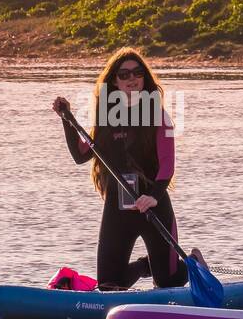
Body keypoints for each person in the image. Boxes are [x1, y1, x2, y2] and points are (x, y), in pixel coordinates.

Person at [52, 48, 205, 291]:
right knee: (109, 286)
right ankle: (147, 266)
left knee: (166, 281)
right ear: (114, 81)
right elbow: (81, 155)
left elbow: (168, 165)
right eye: (124, 74)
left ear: (145, 78)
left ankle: (193, 263)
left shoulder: (159, 116)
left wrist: (152, 197)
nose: (131, 78)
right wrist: (66, 119)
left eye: (137, 73)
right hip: (117, 208)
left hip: (152, 206)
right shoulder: (106, 118)